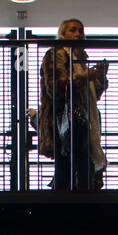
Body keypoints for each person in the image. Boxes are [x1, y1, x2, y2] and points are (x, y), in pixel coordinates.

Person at [38, 19, 108, 191]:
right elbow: (55, 88)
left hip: (83, 119)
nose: (78, 34)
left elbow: (90, 96)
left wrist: (99, 77)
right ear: (63, 33)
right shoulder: (55, 55)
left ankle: (76, 201)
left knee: (81, 165)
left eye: (80, 31)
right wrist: (85, 77)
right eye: (73, 30)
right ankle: (70, 203)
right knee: (67, 164)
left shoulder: (80, 58)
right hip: (62, 118)